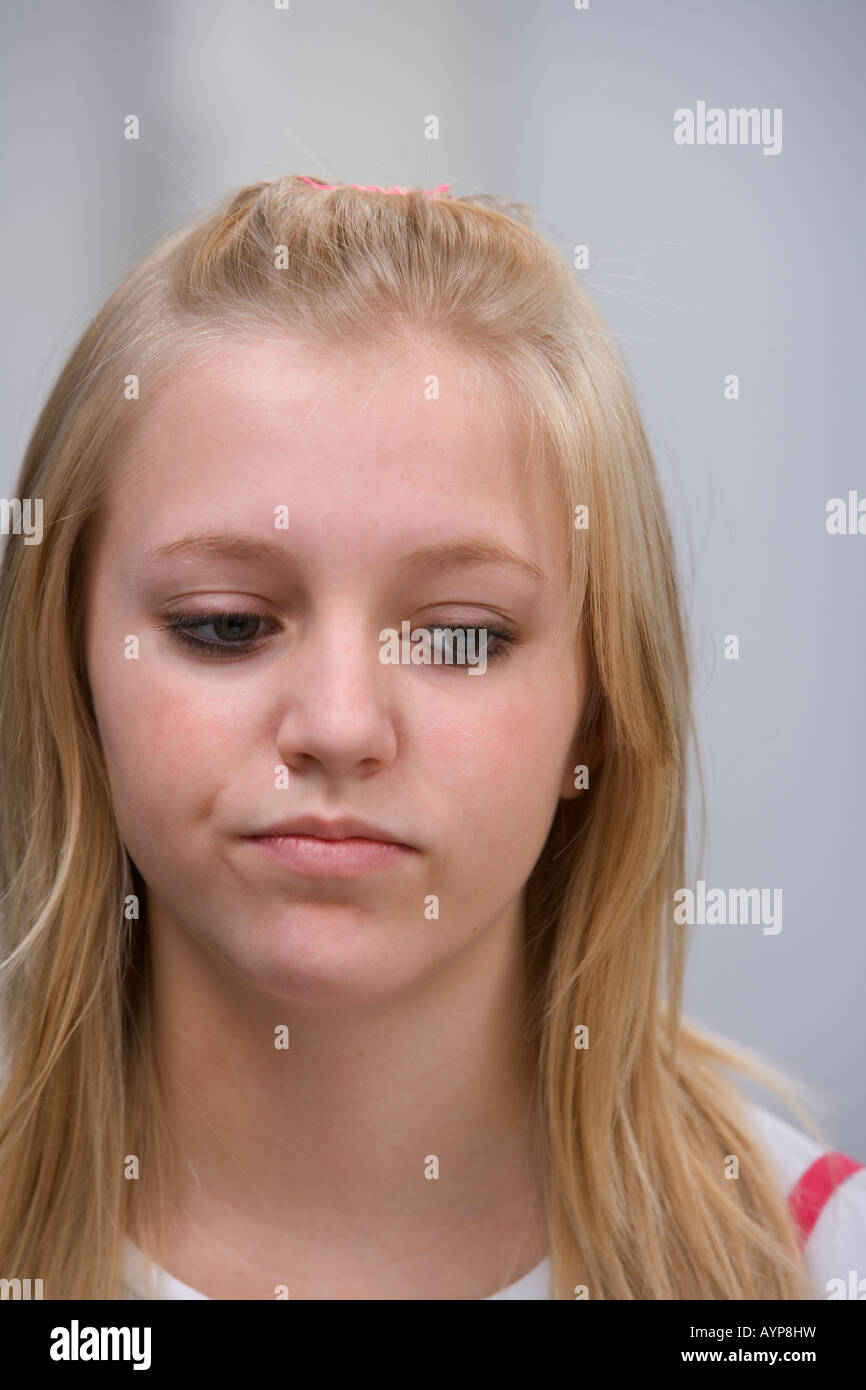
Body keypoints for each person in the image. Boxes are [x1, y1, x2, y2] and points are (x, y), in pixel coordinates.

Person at [0, 175, 862, 1300]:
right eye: (225, 624)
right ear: (68, 664)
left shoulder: (814, 1272)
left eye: (460, 638)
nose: (339, 726)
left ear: (596, 703)